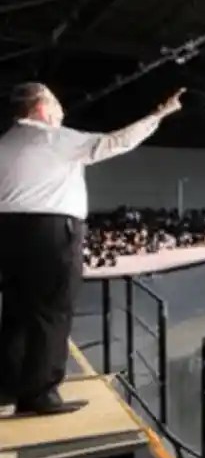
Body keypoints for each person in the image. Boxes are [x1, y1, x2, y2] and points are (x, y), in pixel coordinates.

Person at [0, 83, 183, 415]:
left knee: (16, 313)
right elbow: (116, 141)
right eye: (56, 104)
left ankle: (6, 388)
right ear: (41, 109)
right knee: (51, 311)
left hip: (7, 232)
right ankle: (39, 394)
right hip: (51, 233)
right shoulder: (54, 138)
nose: (62, 111)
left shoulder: (5, 142)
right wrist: (159, 115)